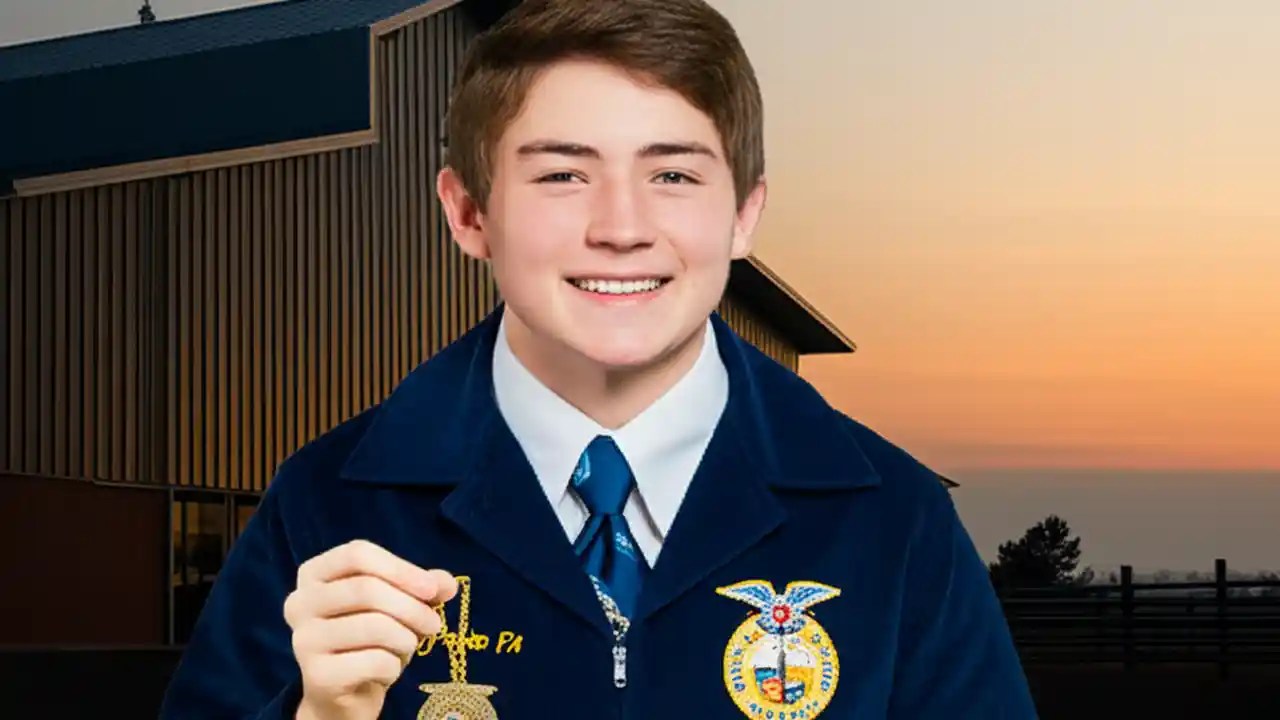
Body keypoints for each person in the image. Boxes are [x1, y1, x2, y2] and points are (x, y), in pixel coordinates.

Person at [159, 0, 1039, 718]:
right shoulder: (326, 505)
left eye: (674, 176)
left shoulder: (893, 521)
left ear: (744, 215)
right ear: (469, 214)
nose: (620, 228)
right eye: (561, 176)